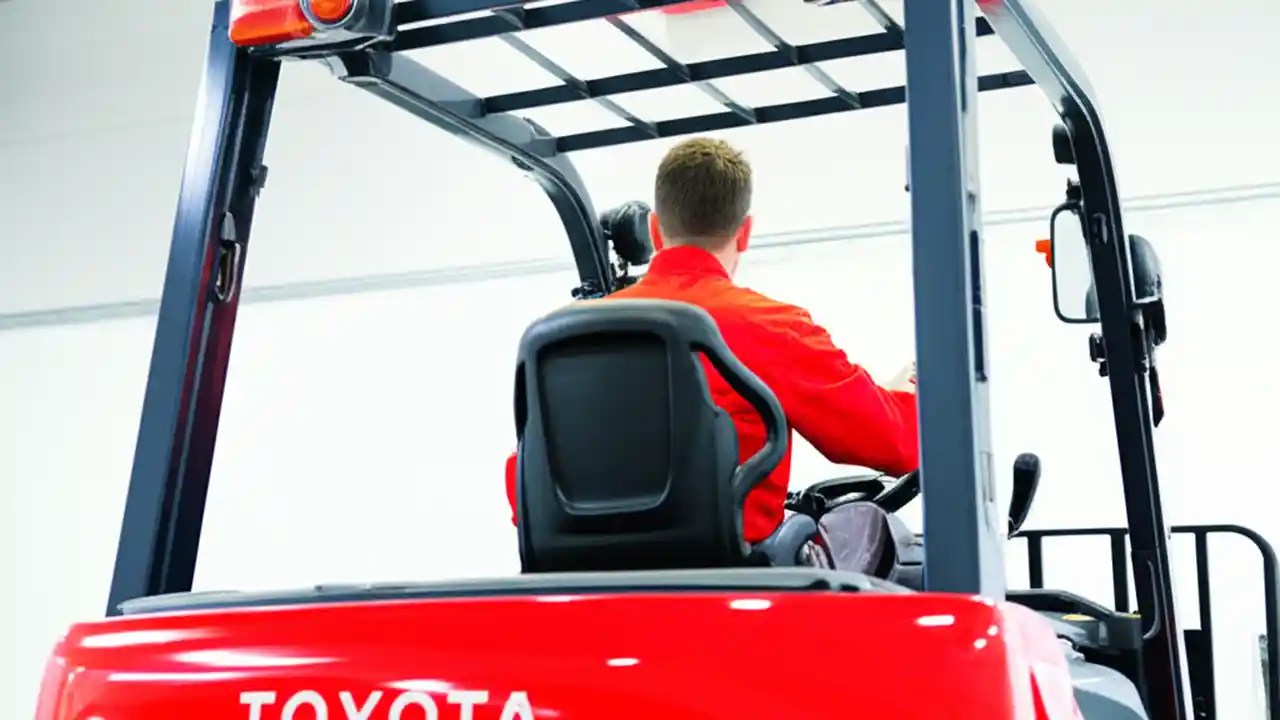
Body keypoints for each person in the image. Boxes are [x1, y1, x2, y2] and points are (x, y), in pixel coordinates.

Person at [506, 137, 919, 543]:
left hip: (586, 585)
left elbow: (523, 482)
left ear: (654, 231)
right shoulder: (773, 325)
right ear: (744, 233)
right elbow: (894, 444)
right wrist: (906, 397)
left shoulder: (567, 337)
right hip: (726, 585)